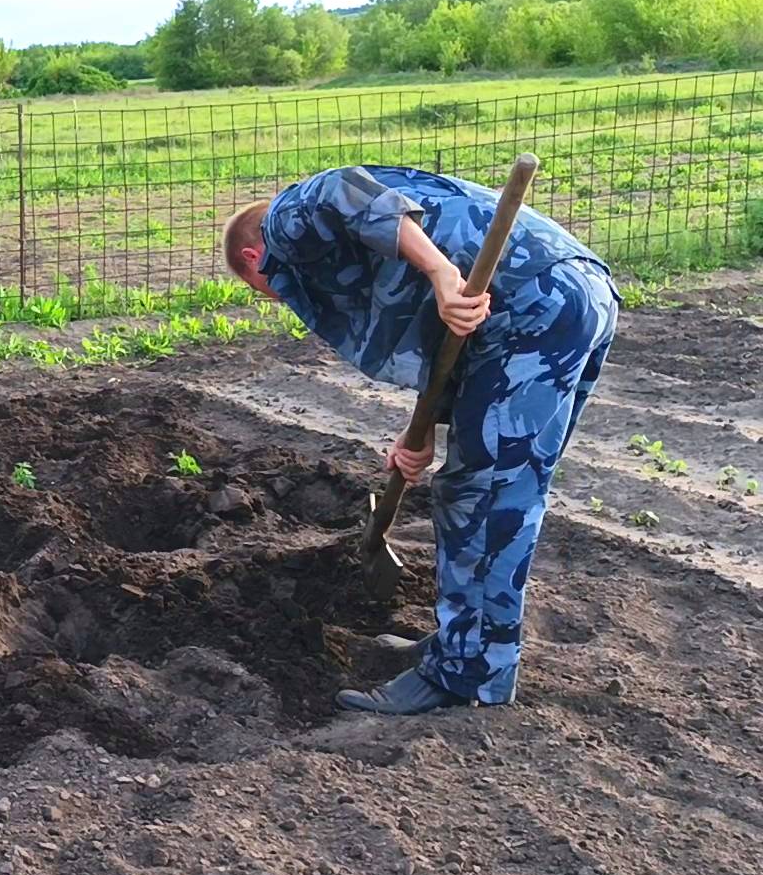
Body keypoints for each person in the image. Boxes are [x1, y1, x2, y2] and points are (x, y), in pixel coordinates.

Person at [222, 164, 619, 715]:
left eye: (263, 293)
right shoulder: (371, 248)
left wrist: (439, 273)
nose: (282, 298)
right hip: (571, 298)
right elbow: (450, 337)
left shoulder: (284, 225)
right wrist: (425, 431)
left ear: (250, 263)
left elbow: (345, 190)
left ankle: (464, 677)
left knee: (483, 496)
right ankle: (468, 645)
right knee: (493, 486)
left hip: (535, 305)